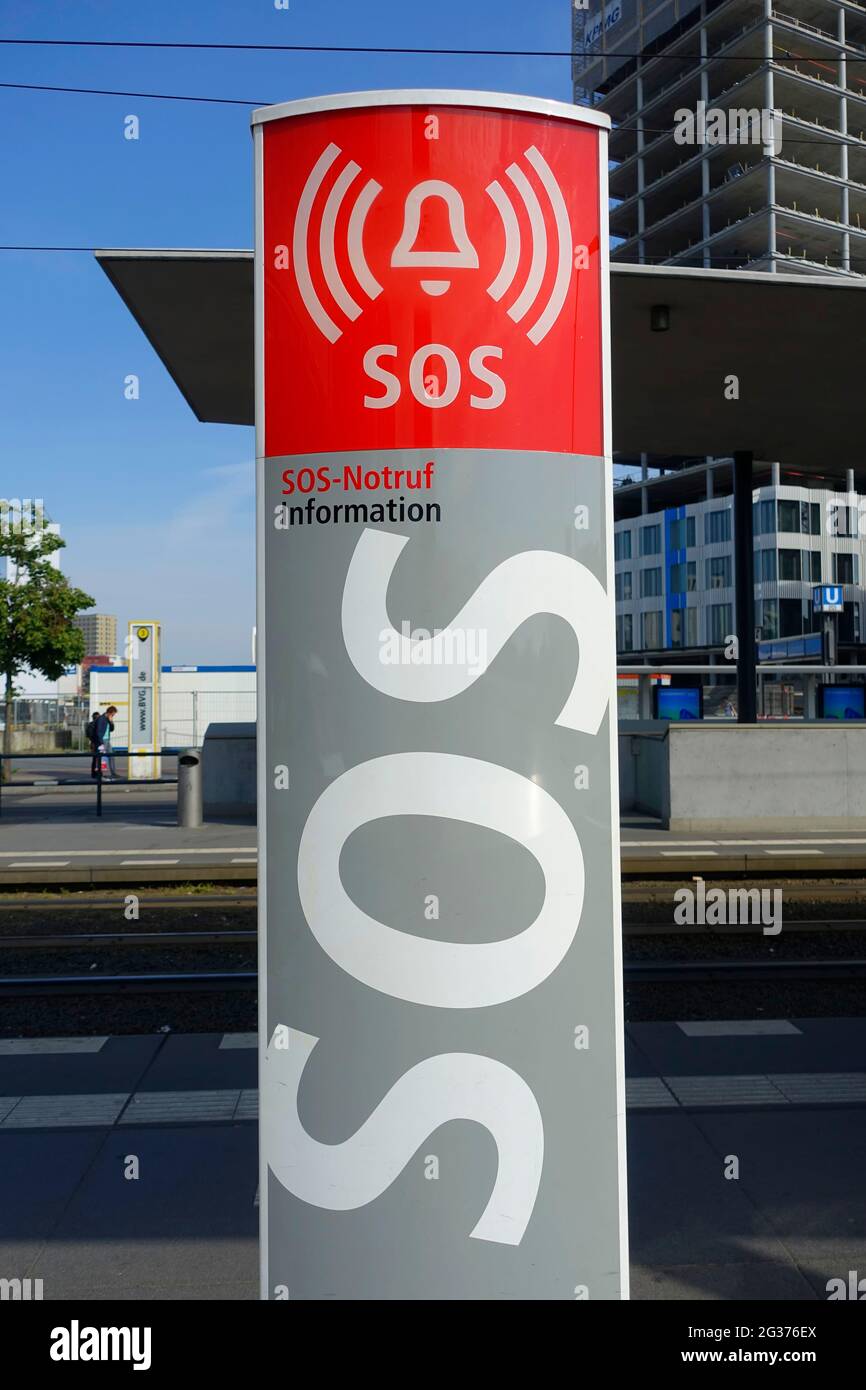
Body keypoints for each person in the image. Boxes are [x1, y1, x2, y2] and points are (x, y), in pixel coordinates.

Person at [92, 706, 119, 781]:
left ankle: (113, 773)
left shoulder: (108, 719)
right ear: (109, 712)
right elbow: (99, 732)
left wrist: (111, 721)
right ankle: (100, 775)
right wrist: (101, 743)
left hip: (107, 740)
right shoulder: (101, 719)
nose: (113, 716)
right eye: (113, 714)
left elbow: (112, 729)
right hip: (102, 741)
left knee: (111, 756)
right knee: (101, 759)